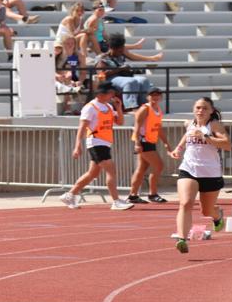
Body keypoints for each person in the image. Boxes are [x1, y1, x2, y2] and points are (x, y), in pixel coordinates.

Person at [167, 96, 230, 254]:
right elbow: (187, 135)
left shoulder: (214, 125)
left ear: (211, 111)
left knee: (206, 211)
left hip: (210, 172)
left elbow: (227, 144)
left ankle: (217, 215)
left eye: (204, 108)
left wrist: (206, 137)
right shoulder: (189, 123)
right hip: (189, 169)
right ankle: (182, 239)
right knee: (185, 203)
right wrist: (178, 149)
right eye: (198, 108)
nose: (200, 111)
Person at [60, 81, 132, 212]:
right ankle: (116, 201)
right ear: (101, 94)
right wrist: (77, 146)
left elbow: (120, 122)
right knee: (111, 171)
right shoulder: (90, 107)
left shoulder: (109, 107)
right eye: (111, 93)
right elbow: (82, 128)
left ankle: (69, 195)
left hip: (105, 142)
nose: (113, 95)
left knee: (92, 173)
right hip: (96, 142)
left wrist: (119, 108)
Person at [94, 31, 160, 111]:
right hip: (110, 79)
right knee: (130, 82)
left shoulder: (121, 54)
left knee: (143, 80)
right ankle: (130, 107)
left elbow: (133, 57)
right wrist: (119, 69)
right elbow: (101, 74)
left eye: (122, 50)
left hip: (123, 77)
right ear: (112, 48)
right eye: (119, 51)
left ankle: (144, 106)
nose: (121, 52)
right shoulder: (102, 58)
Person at [126, 86, 167, 204]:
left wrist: (166, 144)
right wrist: (137, 143)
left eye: (157, 95)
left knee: (141, 168)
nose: (155, 97)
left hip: (150, 141)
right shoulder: (144, 109)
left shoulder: (158, 109)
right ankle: (152, 194)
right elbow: (137, 127)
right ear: (147, 97)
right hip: (143, 141)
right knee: (159, 166)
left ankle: (133, 195)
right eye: (152, 95)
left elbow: (158, 128)